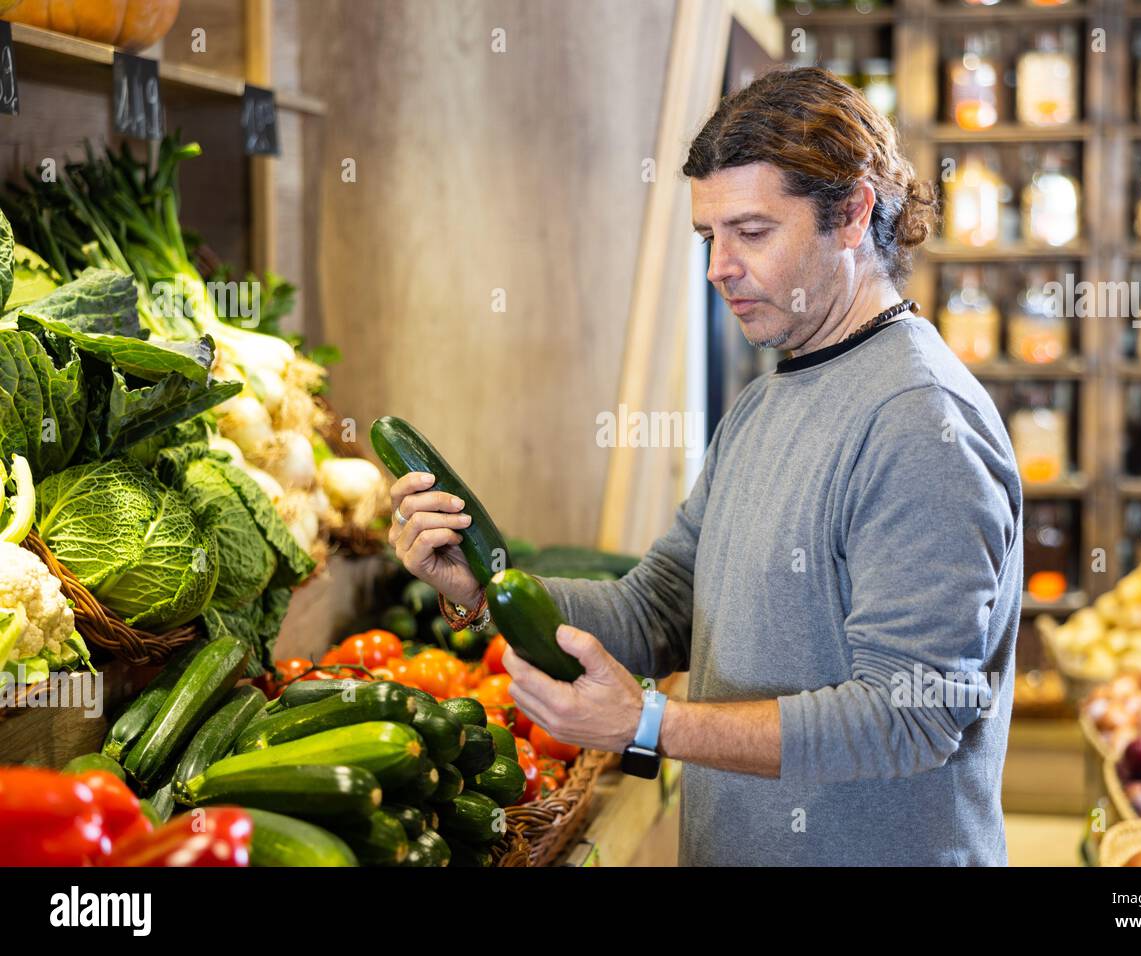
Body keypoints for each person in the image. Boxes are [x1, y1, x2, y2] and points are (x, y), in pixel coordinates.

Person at [388, 67, 1022, 866]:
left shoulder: (919, 423)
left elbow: (911, 714)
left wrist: (651, 723)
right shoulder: (765, 406)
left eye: (752, 232)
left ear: (855, 213)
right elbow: (657, 611)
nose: (720, 266)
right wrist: (483, 588)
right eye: (708, 238)